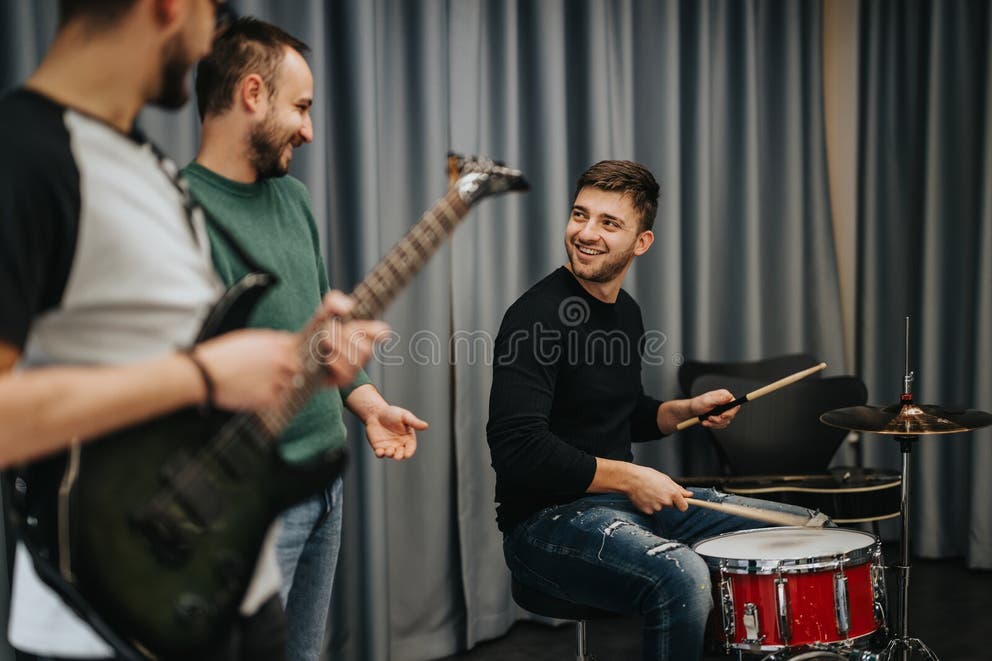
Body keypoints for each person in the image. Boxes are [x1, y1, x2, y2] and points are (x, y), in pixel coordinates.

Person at [0, 1, 384, 658]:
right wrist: (204, 374)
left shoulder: (142, 165)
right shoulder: (24, 155)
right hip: (103, 622)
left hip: (217, 584)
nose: (212, 36)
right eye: (211, 12)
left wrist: (296, 359)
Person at [486, 160, 819, 660]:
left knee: (803, 531)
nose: (586, 233)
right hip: (543, 524)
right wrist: (628, 477)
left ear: (642, 242)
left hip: (619, 507)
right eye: (581, 215)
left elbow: (623, 410)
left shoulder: (626, 313)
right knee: (679, 574)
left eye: (609, 222)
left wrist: (685, 408)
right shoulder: (534, 316)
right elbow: (517, 448)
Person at [182, 17, 428, 660]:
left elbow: (324, 334)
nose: (310, 129)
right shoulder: (178, 215)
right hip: (256, 500)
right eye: (301, 107)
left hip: (326, 482)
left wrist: (370, 406)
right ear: (253, 94)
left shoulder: (293, 198)